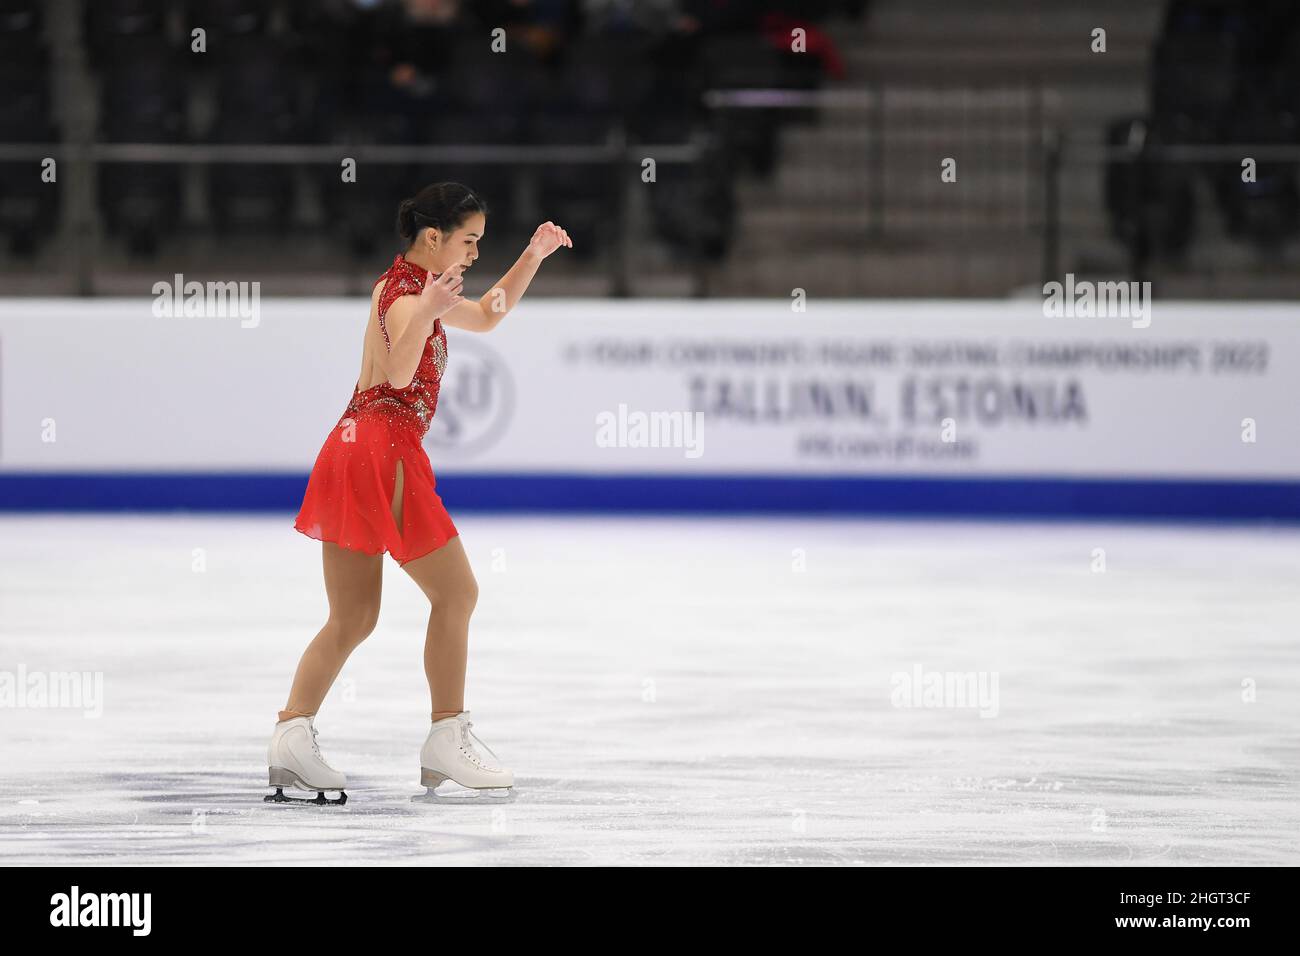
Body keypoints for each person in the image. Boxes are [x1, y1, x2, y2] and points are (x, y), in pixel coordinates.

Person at [266, 182, 571, 804]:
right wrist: (430, 310)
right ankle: (445, 738)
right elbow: (401, 373)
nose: (474, 253)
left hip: (351, 445)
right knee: (457, 592)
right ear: (434, 238)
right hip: (382, 449)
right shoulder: (409, 298)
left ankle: (291, 739)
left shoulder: (408, 287)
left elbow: (488, 314)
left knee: (352, 617)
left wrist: (532, 256)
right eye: (469, 241)